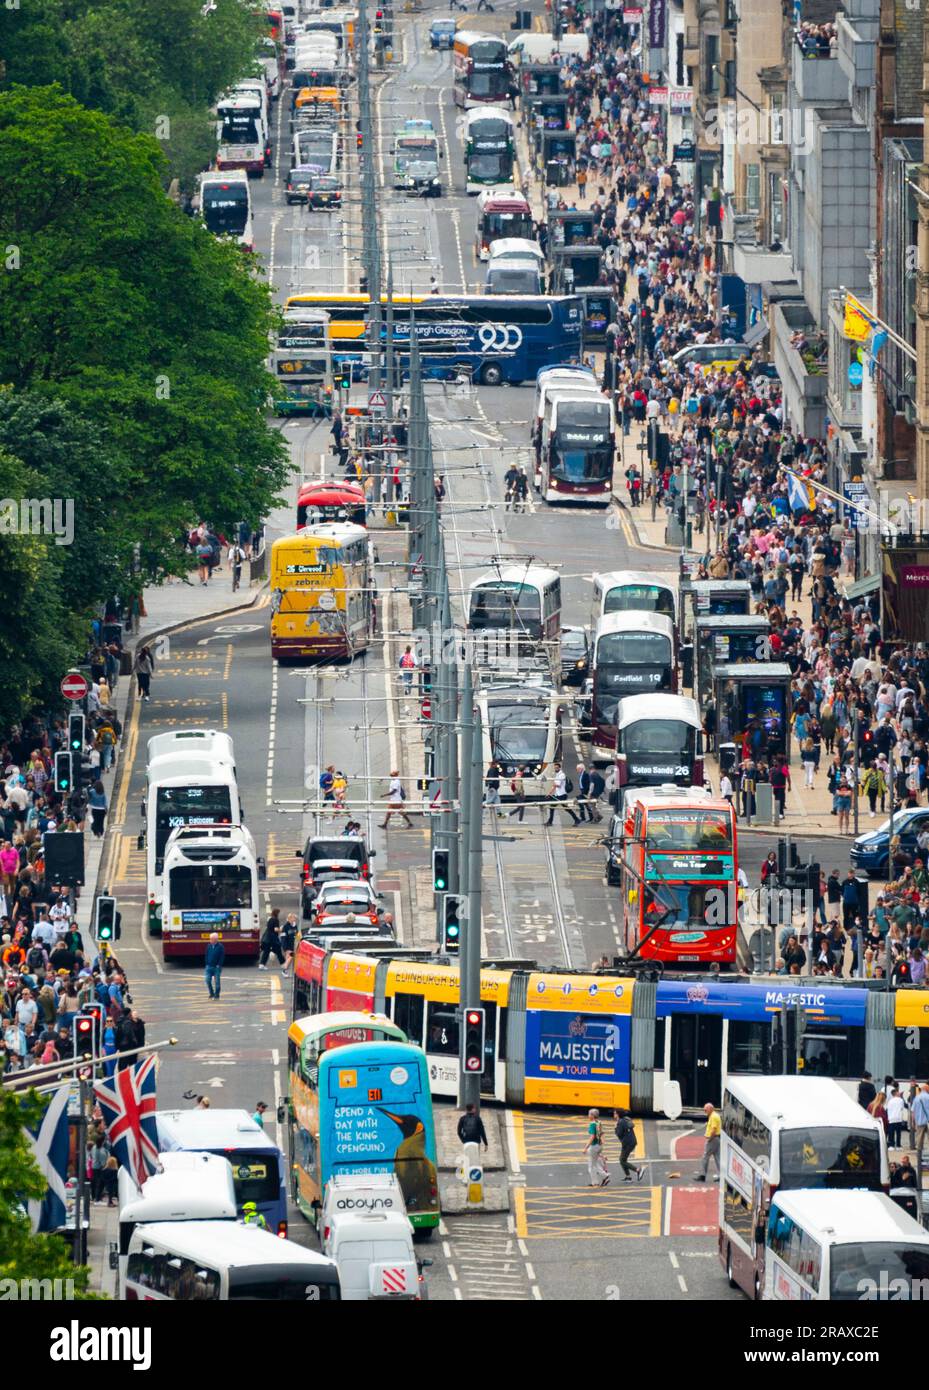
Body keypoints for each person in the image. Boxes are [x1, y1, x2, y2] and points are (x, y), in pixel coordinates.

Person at [613, 1109, 644, 1182]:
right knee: (623, 1159)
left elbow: (619, 1134)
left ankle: (638, 1170)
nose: (613, 1115)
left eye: (615, 1113)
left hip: (627, 1143)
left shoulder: (620, 1123)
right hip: (631, 1142)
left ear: (618, 1114)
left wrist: (615, 1128)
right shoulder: (626, 1119)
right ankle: (628, 1177)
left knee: (622, 1160)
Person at [694, 1101, 721, 1181]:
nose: (705, 1112)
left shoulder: (713, 1117)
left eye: (706, 1110)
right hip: (716, 1139)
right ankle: (721, 1176)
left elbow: (714, 1129)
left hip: (713, 1139)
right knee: (717, 1157)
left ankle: (702, 1175)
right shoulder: (714, 1115)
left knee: (705, 1157)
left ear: (710, 1109)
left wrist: (709, 1138)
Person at [584, 1108, 610, 1187]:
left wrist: (585, 1147)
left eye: (589, 1114)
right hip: (599, 1146)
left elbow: (592, 1137)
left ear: (592, 1115)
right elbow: (602, 1133)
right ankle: (603, 1176)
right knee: (594, 1163)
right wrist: (602, 1142)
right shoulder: (599, 1122)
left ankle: (596, 1182)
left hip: (594, 1146)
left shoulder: (592, 1124)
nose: (588, 1116)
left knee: (591, 1166)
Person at [204, 932, 224, 1000]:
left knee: (217, 982)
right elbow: (206, 955)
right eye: (210, 939)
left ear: (216, 939)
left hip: (216, 967)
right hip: (209, 966)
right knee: (207, 981)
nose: (210, 940)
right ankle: (211, 993)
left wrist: (219, 965)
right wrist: (206, 963)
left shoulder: (220, 946)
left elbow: (222, 957)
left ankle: (217, 995)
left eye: (211, 939)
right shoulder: (209, 946)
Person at [912, 1083, 929, 1161]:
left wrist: (913, 1122)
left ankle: (919, 1155)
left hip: (919, 1121)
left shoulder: (916, 1098)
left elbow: (913, 1111)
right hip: (928, 1121)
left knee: (919, 1139)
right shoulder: (928, 1097)